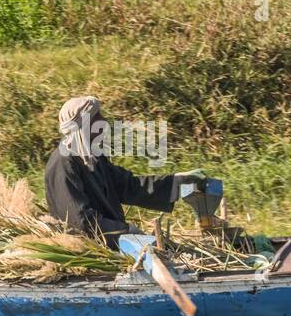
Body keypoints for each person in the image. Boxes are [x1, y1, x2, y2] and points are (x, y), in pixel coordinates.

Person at [44, 96, 206, 248]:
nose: (104, 122)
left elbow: (130, 186)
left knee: (172, 248)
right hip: (89, 247)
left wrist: (177, 182)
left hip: (110, 240)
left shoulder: (93, 158)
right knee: (162, 249)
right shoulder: (63, 164)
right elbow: (79, 222)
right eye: (97, 117)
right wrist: (124, 231)